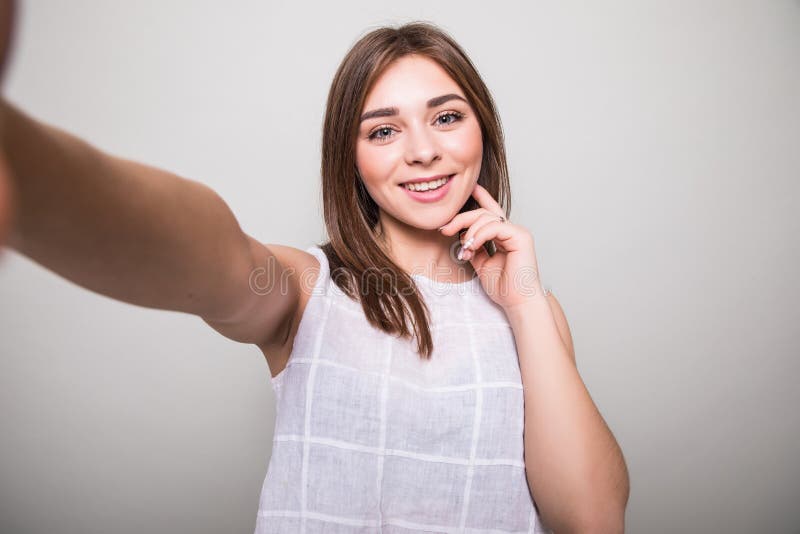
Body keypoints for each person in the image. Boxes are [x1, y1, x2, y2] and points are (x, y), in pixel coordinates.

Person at [1, 19, 629, 534]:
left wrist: (521, 304)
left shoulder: (532, 313)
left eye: (445, 118)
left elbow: (593, 519)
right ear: (350, 160)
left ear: (481, 133)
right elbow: (215, 257)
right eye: (383, 130)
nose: (422, 151)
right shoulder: (308, 288)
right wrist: (23, 174)